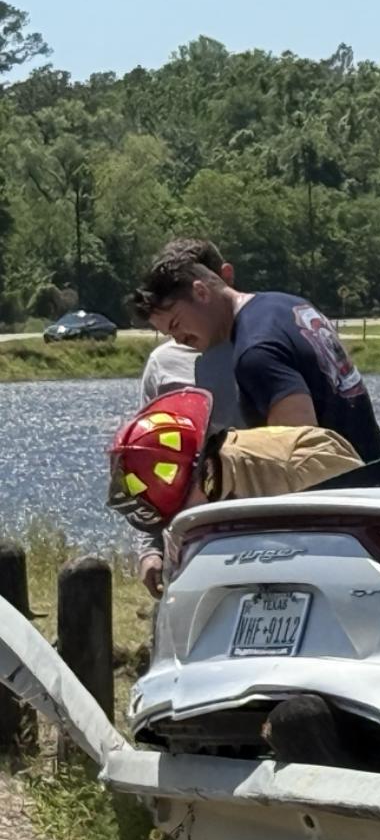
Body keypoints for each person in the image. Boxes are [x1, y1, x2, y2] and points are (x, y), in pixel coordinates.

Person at [130, 255, 380, 465]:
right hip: (377, 470)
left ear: (201, 292)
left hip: (345, 495)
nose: (178, 340)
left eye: (176, 324)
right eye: (169, 334)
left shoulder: (255, 353)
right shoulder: (288, 304)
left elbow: (301, 457)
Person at [106, 388, 362, 552]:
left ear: (207, 474)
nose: (185, 527)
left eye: (185, 513)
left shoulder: (306, 460)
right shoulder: (183, 522)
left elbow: (363, 550)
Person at [134, 239, 243, 595]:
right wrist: (149, 548)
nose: (181, 337)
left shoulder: (258, 345)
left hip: (257, 528)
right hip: (190, 541)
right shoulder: (162, 364)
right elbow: (150, 461)